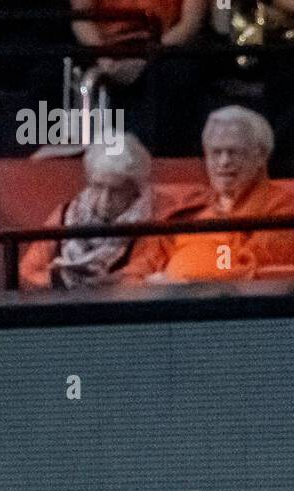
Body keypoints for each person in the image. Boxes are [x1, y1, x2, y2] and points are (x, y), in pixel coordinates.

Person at [122, 105, 294, 281]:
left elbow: (249, 266)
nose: (224, 162)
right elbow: (141, 264)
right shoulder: (187, 209)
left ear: (261, 156)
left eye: (234, 153)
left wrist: (184, 283)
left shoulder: (283, 210)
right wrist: (140, 285)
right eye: (215, 152)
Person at [20, 134, 161, 289]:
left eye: (116, 191)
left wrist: (108, 283)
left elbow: (143, 275)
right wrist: (59, 279)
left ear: (134, 190)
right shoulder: (66, 214)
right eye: (98, 186)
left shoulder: (151, 222)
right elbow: (26, 273)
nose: (105, 198)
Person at [69, 0, 209, 155]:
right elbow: (81, 18)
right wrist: (105, 56)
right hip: (109, 48)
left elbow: (189, 24)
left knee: (178, 73)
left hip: (163, 47)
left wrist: (147, 56)